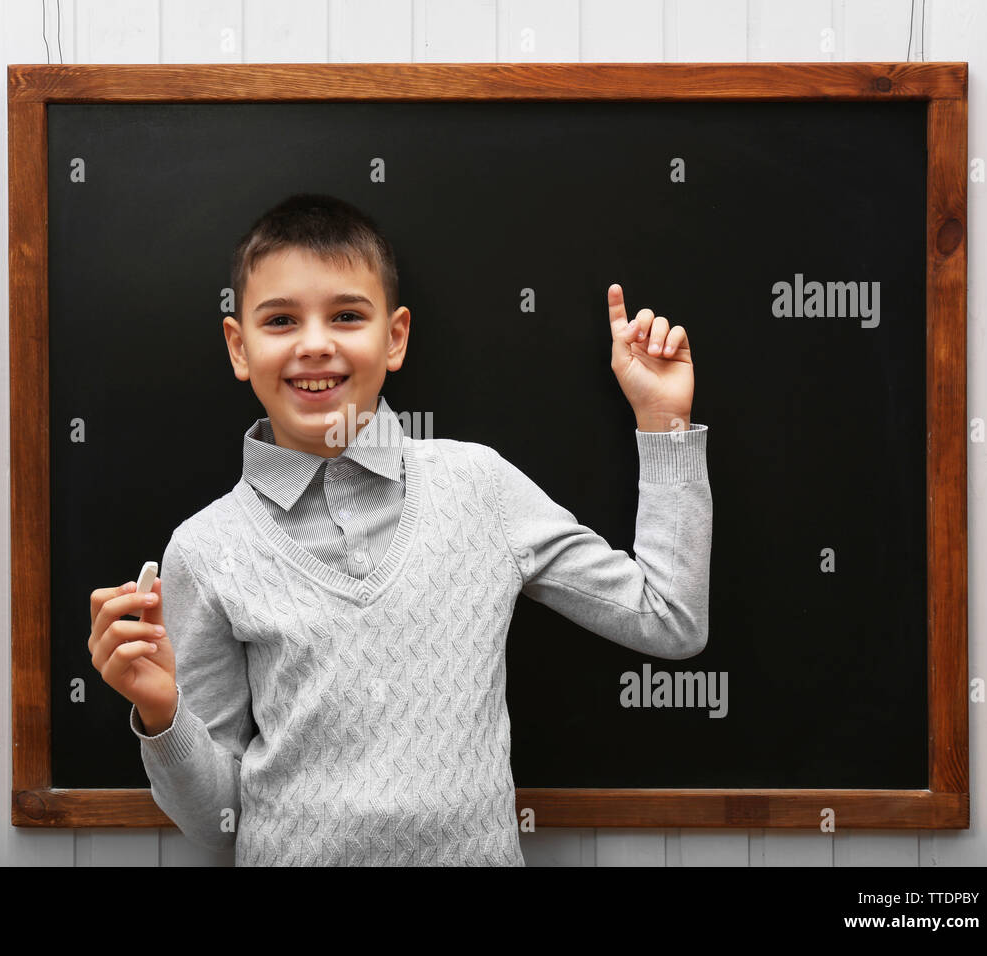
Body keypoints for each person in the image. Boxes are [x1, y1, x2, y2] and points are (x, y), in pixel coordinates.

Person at [86, 193, 711, 866]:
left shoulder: (480, 487)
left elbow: (669, 619)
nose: (316, 343)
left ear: (395, 337)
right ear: (239, 346)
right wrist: (161, 711)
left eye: (348, 315)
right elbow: (218, 828)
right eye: (280, 320)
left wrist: (663, 421)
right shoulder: (206, 550)